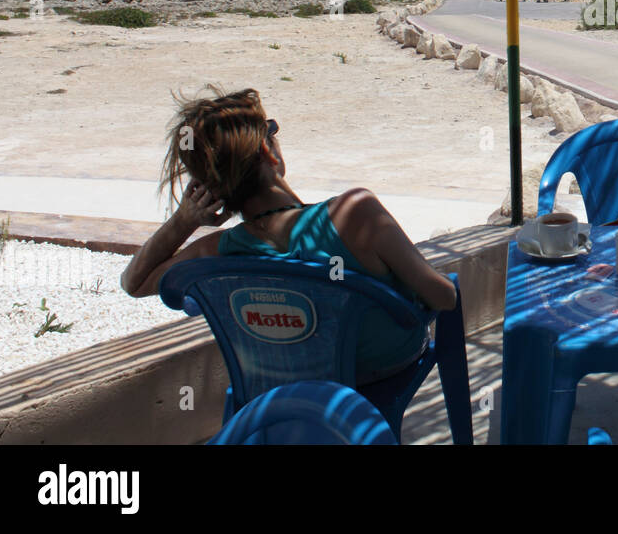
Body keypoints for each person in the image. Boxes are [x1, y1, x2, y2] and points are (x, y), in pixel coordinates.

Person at [121, 86, 456, 381]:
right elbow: (443, 297)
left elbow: (133, 284)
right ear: (269, 152)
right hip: (375, 372)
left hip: (282, 380)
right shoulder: (355, 213)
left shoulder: (217, 253)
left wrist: (185, 220)